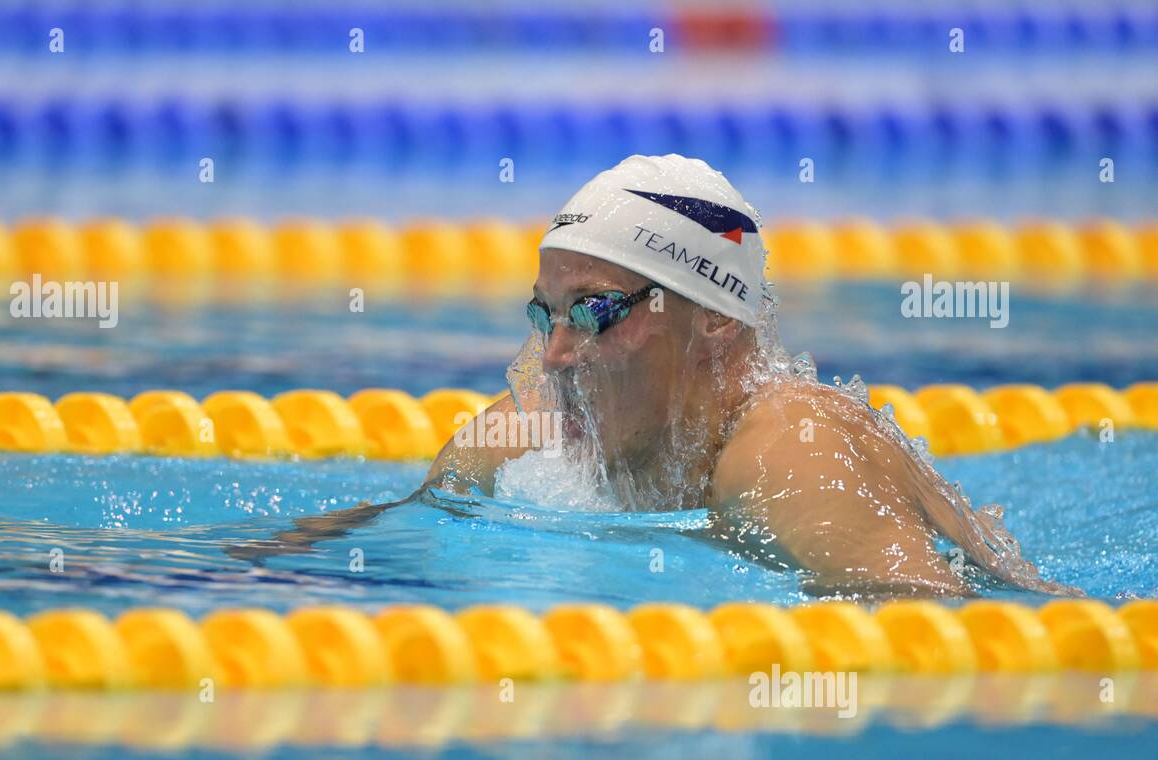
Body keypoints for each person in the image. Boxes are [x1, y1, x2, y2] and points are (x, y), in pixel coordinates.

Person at [241, 154, 1077, 597]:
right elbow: (391, 536)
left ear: (714, 317)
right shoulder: (526, 435)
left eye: (598, 311)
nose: (559, 355)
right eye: (547, 314)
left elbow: (933, 639)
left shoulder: (791, 450)